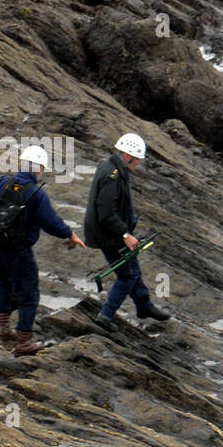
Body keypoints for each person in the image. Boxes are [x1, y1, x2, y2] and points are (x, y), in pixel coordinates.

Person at [0, 145, 86, 356]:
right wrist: (70, 234)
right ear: (39, 169)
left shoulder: (0, 182)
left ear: (21, 164)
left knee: (2, 281)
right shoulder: (35, 194)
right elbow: (51, 222)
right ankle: (24, 341)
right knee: (28, 293)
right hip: (19, 249)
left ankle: (3, 328)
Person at [83, 133, 170, 332]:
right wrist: (125, 235)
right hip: (108, 235)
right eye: (137, 159)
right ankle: (105, 315)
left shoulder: (114, 168)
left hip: (112, 231)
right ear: (127, 155)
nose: (139, 163)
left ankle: (144, 306)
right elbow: (106, 214)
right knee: (127, 276)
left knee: (133, 268)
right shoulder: (112, 176)